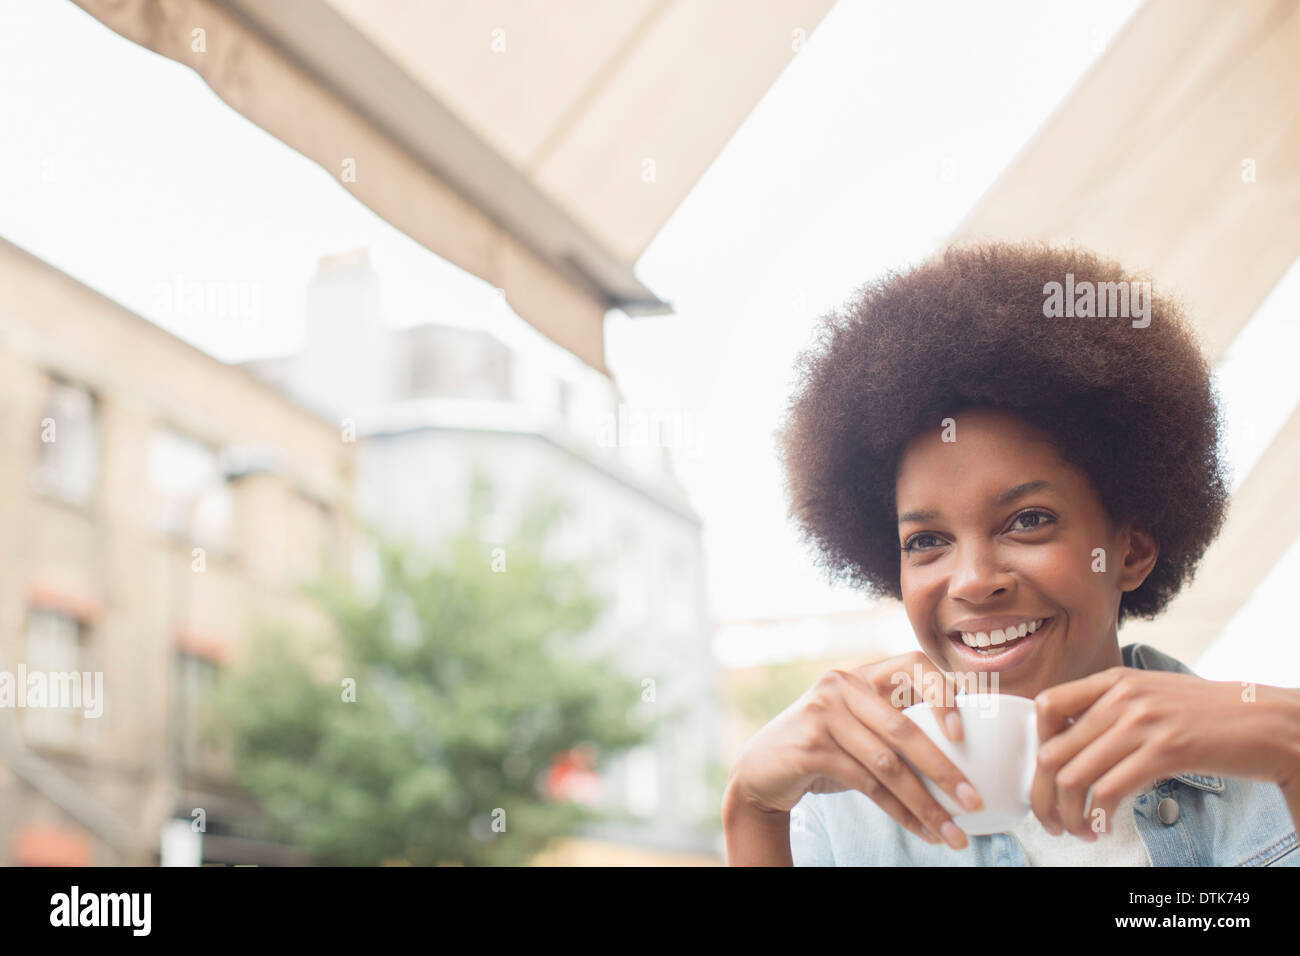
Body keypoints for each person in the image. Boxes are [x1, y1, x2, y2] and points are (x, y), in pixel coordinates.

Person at [722, 242, 1300, 866]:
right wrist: (752, 810)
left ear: (1131, 550)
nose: (973, 581)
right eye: (926, 541)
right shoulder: (845, 816)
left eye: (1027, 521)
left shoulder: (1269, 780)